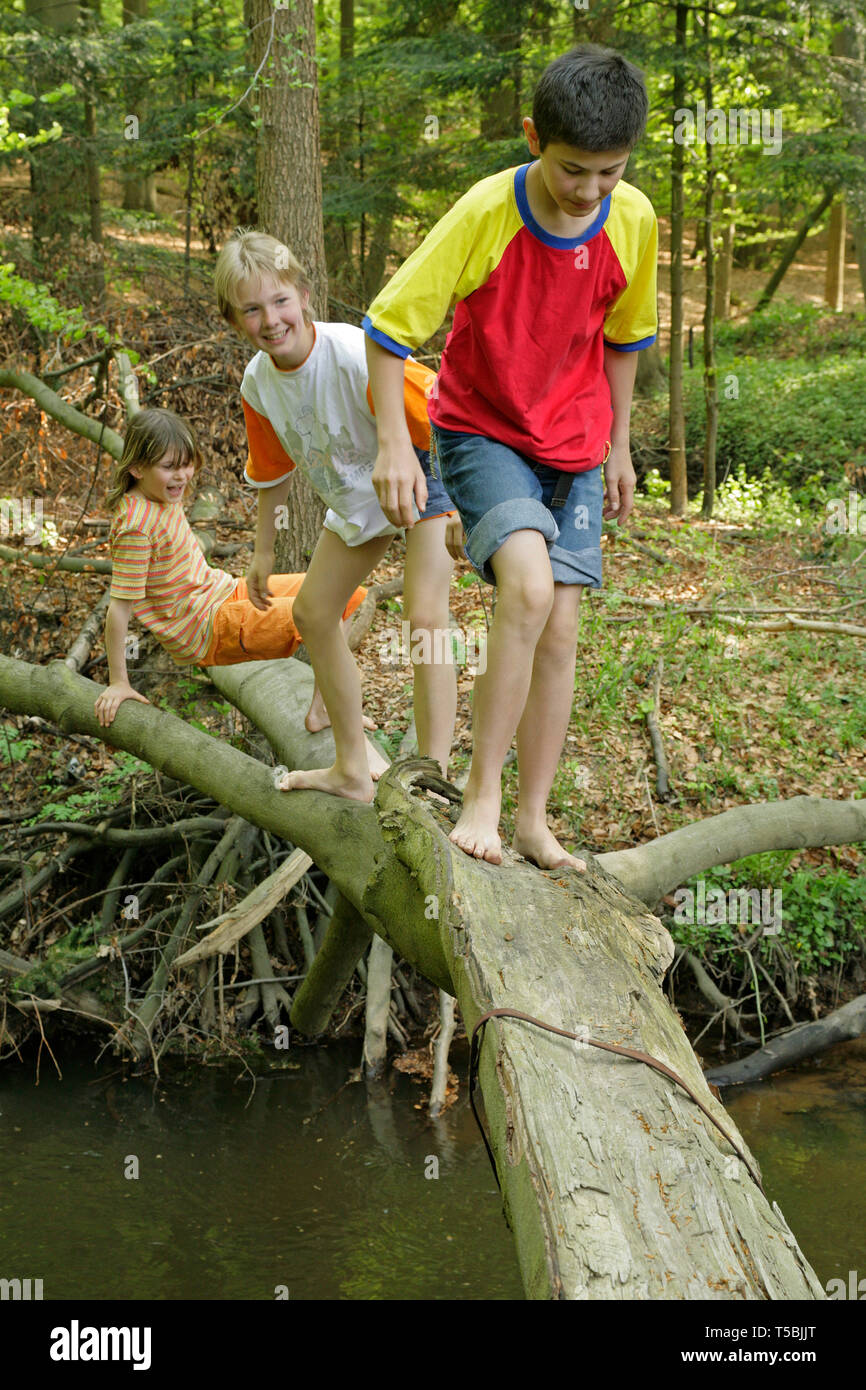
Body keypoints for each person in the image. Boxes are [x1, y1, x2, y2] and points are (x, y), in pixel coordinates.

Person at [363, 43, 658, 869]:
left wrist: (622, 447)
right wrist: (396, 443)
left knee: (560, 628)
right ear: (533, 136)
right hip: (482, 430)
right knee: (527, 589)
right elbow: (387, 332)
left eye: (610, 172)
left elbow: (626, 340)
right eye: (574, 171)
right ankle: (480, 793)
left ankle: (532, 817)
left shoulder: (632, 219)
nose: (591, 191)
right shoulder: (487, 212)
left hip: (579, 443)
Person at [213, 229, 458, 804]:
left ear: (302, 293)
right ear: (234, 319)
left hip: (427, 470)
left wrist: (465, 507)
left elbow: (446, 409)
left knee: (426, 617)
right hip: (356, 496)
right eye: (252, 310)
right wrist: (263, 551)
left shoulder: (353, 354)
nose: (270, 319)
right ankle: (352, 765)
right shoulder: (258, 383)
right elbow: (269, 469)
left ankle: (434, 778)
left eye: (279, 301)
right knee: (314, 612)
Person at [94, 408, 368, 748]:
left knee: (345, 592)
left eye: (186, 464)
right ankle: (333, 712)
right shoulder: (136, 526)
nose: (182, 476)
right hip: (207, 626)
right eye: (169, 467)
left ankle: (321, 707)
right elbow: (119, 608)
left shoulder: (160, 493)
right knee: (322, 613)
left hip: (224, 592)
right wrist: (118, 680)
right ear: (136, 468)